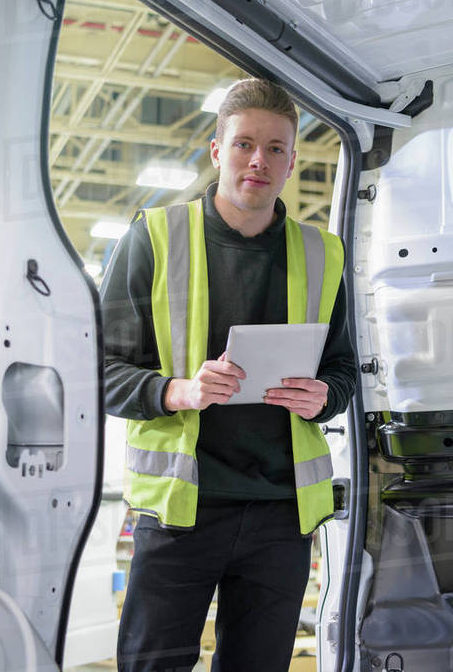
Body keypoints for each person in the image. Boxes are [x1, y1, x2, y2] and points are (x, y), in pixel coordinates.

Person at [100, 78, 358, 672]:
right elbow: (97, 372)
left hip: (279, 512)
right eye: (244, 144)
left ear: (293, 161)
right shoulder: (154, 238)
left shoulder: (324, 255)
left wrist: (324, 397)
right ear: (217, 151)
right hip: (180, 512)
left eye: (275, 148)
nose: (258, 160)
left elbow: (342, 370)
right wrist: (176, 390)